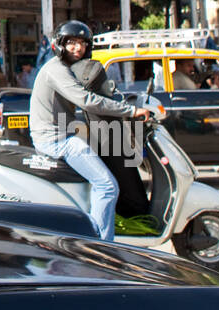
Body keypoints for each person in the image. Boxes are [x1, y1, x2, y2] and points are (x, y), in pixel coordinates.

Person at [29, 20, 148, 242]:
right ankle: (101, 245)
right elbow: (87, 100)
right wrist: (130, 111)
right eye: (71, 43)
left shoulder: (64, 69)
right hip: (56, 140)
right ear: (59, 44)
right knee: (108, 185)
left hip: (60, 133)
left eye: (82, 43)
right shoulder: (57, 69)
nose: (78, 48)